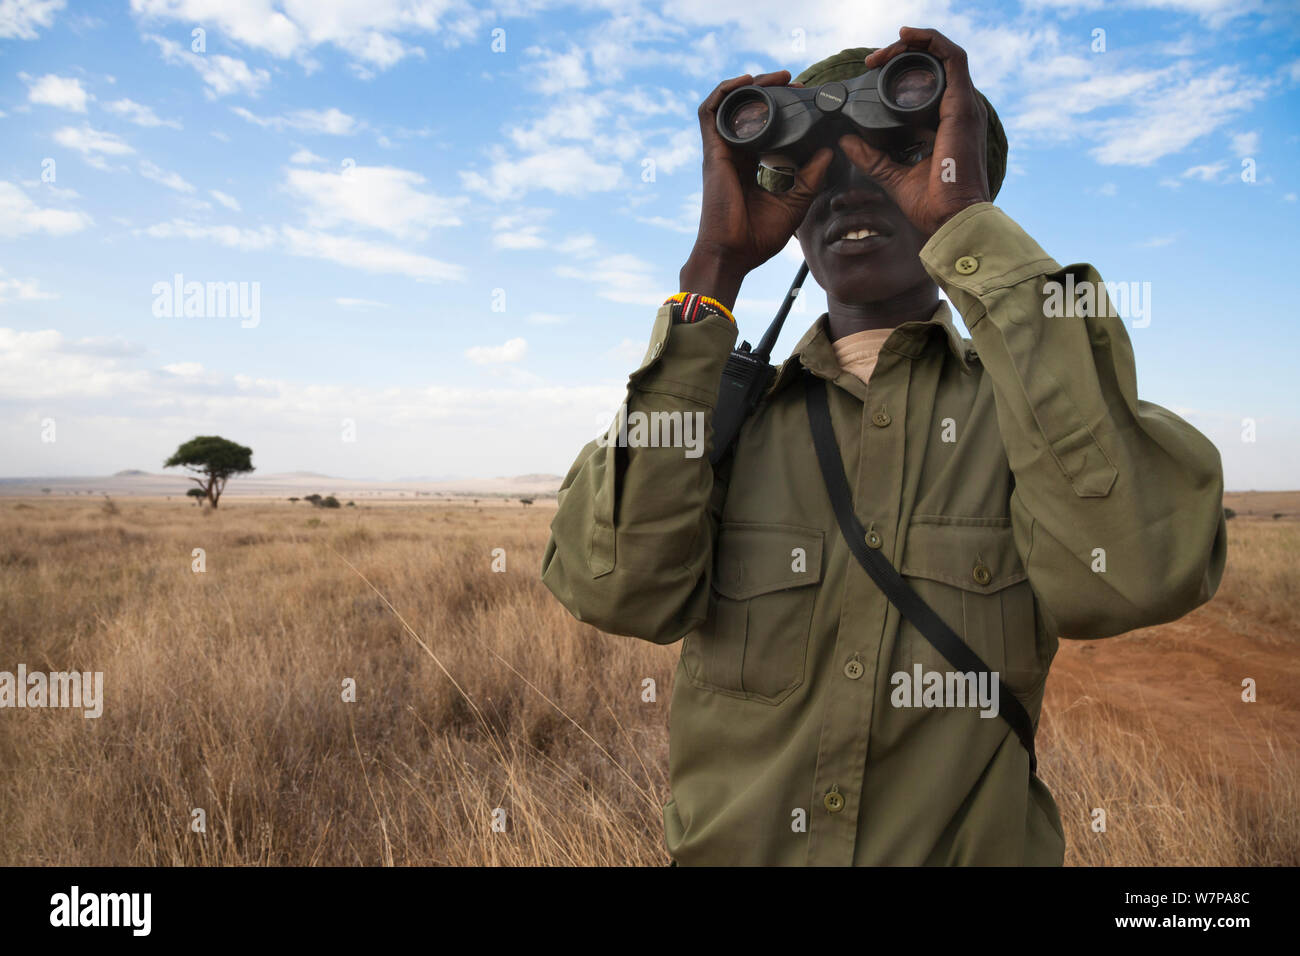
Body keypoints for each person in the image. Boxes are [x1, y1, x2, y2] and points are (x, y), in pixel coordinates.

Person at [541, 27, 1227, 865]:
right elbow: (616, 591)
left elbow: (1135, 577)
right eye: (812, 169)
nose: (851, 192)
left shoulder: (1032, 417)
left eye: (898, 156)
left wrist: (970, 227)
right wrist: (712, 275)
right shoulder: (717, 424)